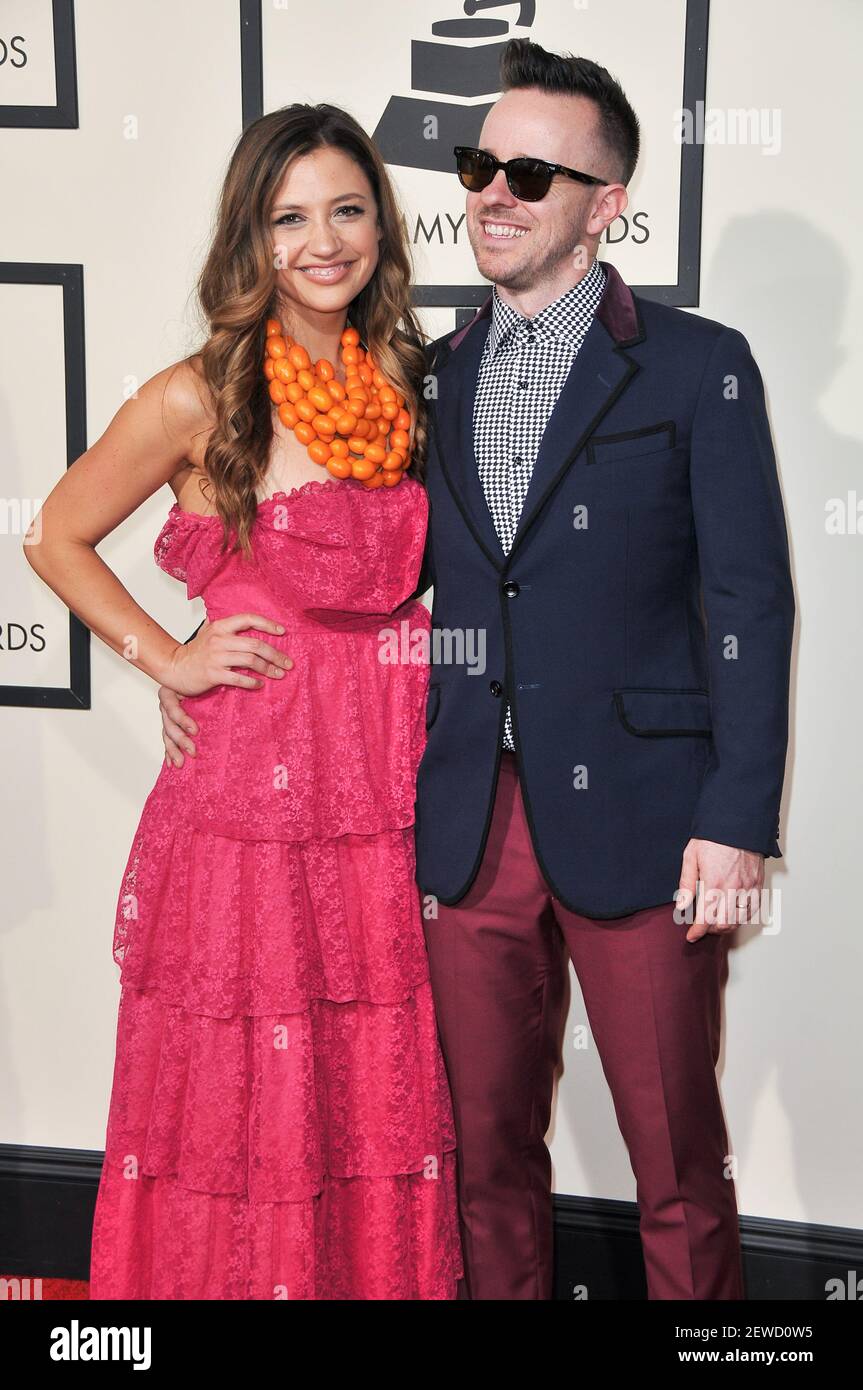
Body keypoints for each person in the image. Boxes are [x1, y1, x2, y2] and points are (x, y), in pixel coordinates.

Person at [161, 40, 795, 1301]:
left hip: (645, 820)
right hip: (456, 817)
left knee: (676, 1164)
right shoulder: (418, 378)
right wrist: (180, 665)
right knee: (477, 1161)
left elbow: (748, 603)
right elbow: (330, 573)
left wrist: (735, 821)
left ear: (604, 202)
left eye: (527, 171)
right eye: (475, 165)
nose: (488, 195)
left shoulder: (693, 363)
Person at [23, 103, 462, 1299]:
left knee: (357, 1083)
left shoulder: (407, 381)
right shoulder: (200, 392)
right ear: (248, 237)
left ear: (382, 220)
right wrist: (166, 658)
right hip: (250, 807)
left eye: (346, 209)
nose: (322, 241)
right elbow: (54, 534)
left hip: (375, 793)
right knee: (245, 1091)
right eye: (287, 218)